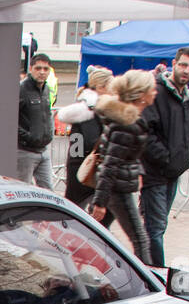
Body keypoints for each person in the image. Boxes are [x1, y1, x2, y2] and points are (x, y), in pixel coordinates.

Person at [140, 47, 189, 266]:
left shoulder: (187, 98)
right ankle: (156, 273)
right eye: (183, 65)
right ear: (174, 64)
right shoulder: (156, 91)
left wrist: (188, 156)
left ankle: (147, 269)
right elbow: (145, 132)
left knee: (159, 227)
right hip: (154, 172)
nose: (186, 70)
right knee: (154, 229)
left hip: (173, 173)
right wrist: (165, 158)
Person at [90, 69, 156, 264]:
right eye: (152, 89)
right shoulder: (126, 124)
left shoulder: (127, 120)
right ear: (141, 95)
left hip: (116, 186)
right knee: (140, 239)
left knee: (98, 233)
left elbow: (126, 157)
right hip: (117, 189)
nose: (155, 92)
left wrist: (139, 173)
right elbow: (110, 164)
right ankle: (150, 284)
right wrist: (100, 202)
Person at [56, 66, 113, 222]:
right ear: (101, 87)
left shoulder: (97, 110)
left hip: (86, 166)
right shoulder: (87, 112)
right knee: (75, 210)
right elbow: (83, 144)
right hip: (83, 169)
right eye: (110, 86)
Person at [18, 53, 54, 189]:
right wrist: (26, 137)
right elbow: (10, 118)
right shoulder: (21, 89)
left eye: (45, 69)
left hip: (43, 150)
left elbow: (47, 114)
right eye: (38, 68)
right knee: (23, 190)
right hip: (25, 151)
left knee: (48, 190)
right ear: (31, 69)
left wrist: (49, 134)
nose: (42, 72)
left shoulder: (46, 89)